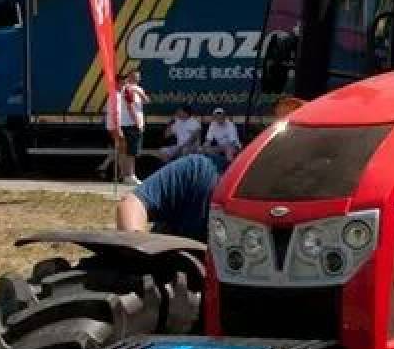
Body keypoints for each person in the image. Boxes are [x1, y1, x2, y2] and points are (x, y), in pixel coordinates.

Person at [116, 96, 304, 241]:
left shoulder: (310, 202)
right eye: (279, 124)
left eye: (301, 129)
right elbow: (132, 203)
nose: (283, 133)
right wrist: (142, 258)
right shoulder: (197, 170)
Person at [106, 69, 149, 187]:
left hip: (126, 124)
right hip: (130, 124)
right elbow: (129, 108)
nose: (136, 78)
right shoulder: (126, 91)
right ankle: (129, 175)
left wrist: (139, 92)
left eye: (138, 76)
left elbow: (146, 100)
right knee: (130, 151)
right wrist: (137, 123)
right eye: (133, 76)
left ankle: (125, 175)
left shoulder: (134, 89)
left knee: (125, 151)